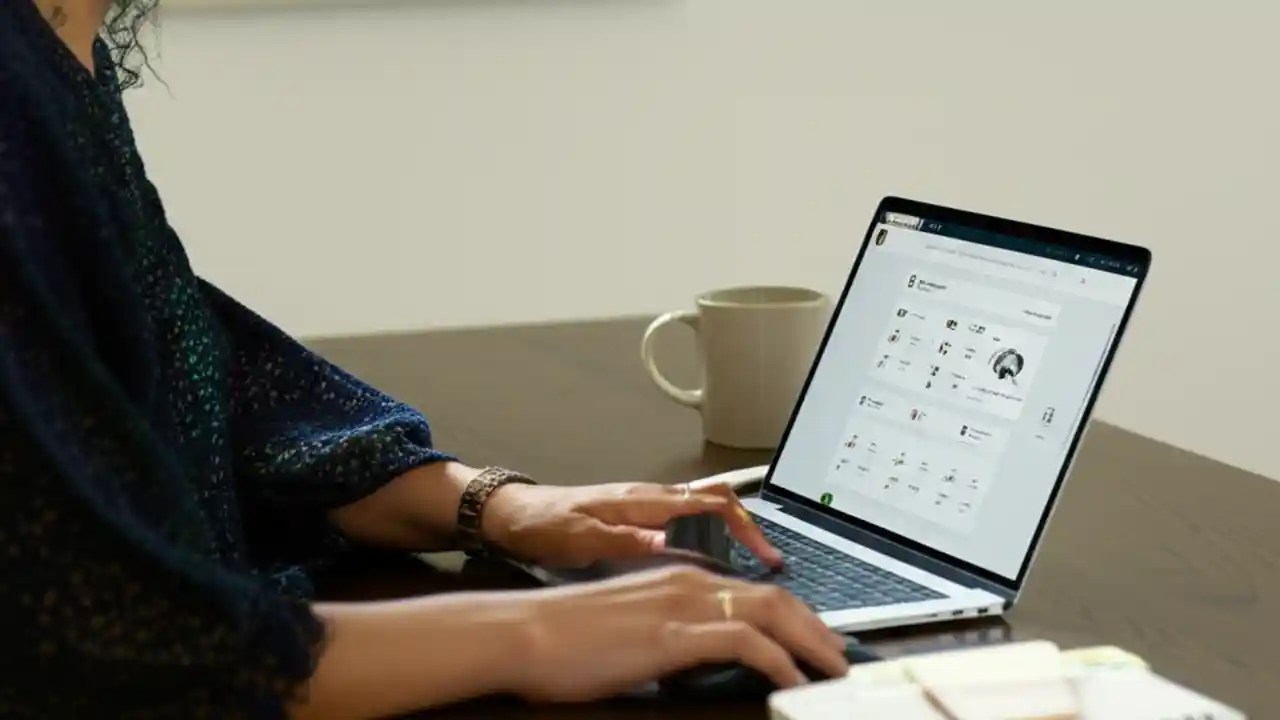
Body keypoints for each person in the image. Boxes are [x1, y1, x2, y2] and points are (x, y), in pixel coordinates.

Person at [0, 1, 848, 717]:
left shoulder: (66, 46)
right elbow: (107, 640)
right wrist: (545, 632)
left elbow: (202, 388)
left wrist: (495, 506)